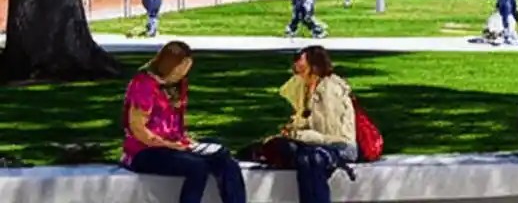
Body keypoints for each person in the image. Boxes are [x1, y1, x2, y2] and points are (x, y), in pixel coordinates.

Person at [122, 41, 247, 203]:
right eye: (181, 68)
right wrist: (169, 145)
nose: (183, 73)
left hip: (174, 143)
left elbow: (176, 124)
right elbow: (138, 129)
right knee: (196, 167)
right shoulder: (144, 84)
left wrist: (185, 143)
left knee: (225, 159)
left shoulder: (177, 85)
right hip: (145, 150)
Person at [278, 46, 359, 203]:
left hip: (340, 146)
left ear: (314, 67)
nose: (296, 70)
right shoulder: (307, 87)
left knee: (312, 159)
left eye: (301, 66)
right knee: (302, 157)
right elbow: (304, 117)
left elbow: (331, 135)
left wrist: (297, 134)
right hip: (316, 144)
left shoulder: (330, 90)